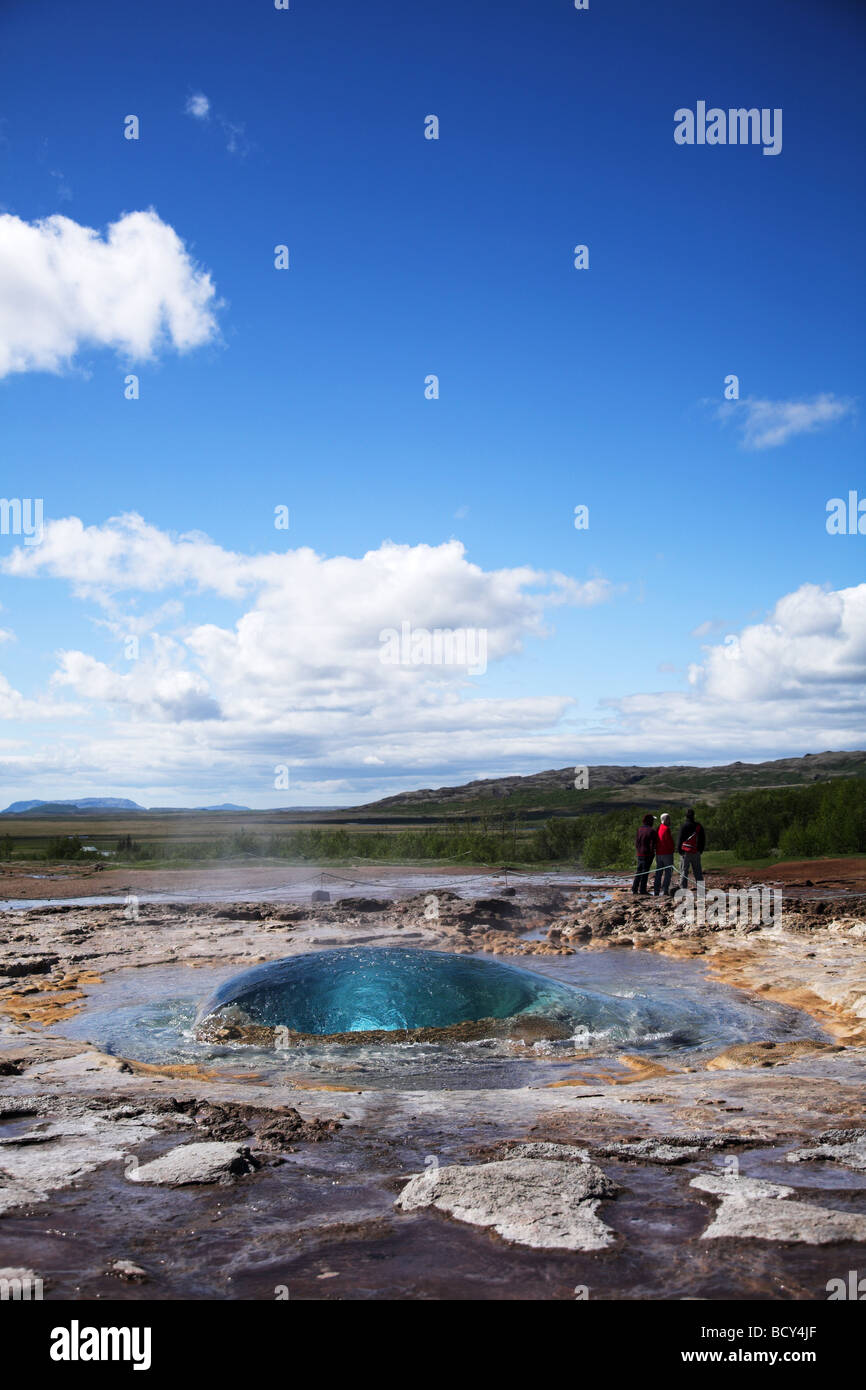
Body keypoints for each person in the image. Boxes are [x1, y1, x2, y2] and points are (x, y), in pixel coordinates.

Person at [678, 807, 705, 889]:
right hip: (696, 851)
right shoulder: (699, 826)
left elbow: (680, 839)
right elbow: (702, 839)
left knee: (684, 872)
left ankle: (683, 890)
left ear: (686, 816)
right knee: (698, 872)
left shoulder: (684, 826)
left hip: (685, 852)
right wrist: (700, 850)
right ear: (694, 816)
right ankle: (701, 891)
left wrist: (680, 850)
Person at [632, 813, 657, 895]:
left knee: (639, 871)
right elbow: (652, 844)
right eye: (652, 820)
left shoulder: (639, 829)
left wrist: (638, 850)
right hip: (647, 854)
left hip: (640, 853)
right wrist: (652, 853)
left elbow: (637, 842)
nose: (653, 821)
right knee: (645, 872)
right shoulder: (652, 830)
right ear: (649, 821)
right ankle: (642, 890)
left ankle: (634, 889)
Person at [653, 812, 675, 896]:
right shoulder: (666, 829)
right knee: (668, 872)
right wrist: (672, 849)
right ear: (665, 820)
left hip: (659, 853)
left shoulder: (659, 828)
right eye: (669, 819)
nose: (670, 821)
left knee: (659, 872)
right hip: (667, 853)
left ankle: (656, 890)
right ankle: (665, 889)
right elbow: (668, 842)